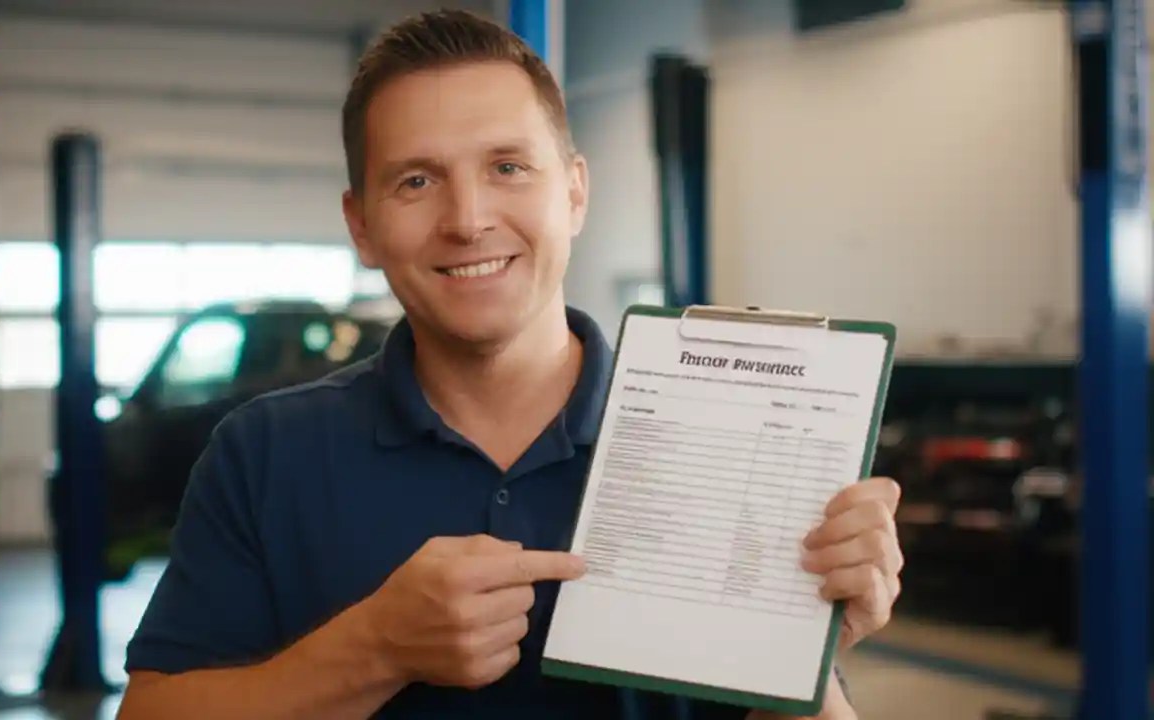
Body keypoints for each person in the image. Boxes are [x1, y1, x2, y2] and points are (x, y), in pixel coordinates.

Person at [117, 9, 904, 720]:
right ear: (361, 225)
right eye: (416, 180)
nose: (467, 220)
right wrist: (375, 648)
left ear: (574, 192)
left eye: (508, 167)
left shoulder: (729, 438)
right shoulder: (263, 455)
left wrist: (808, 661)